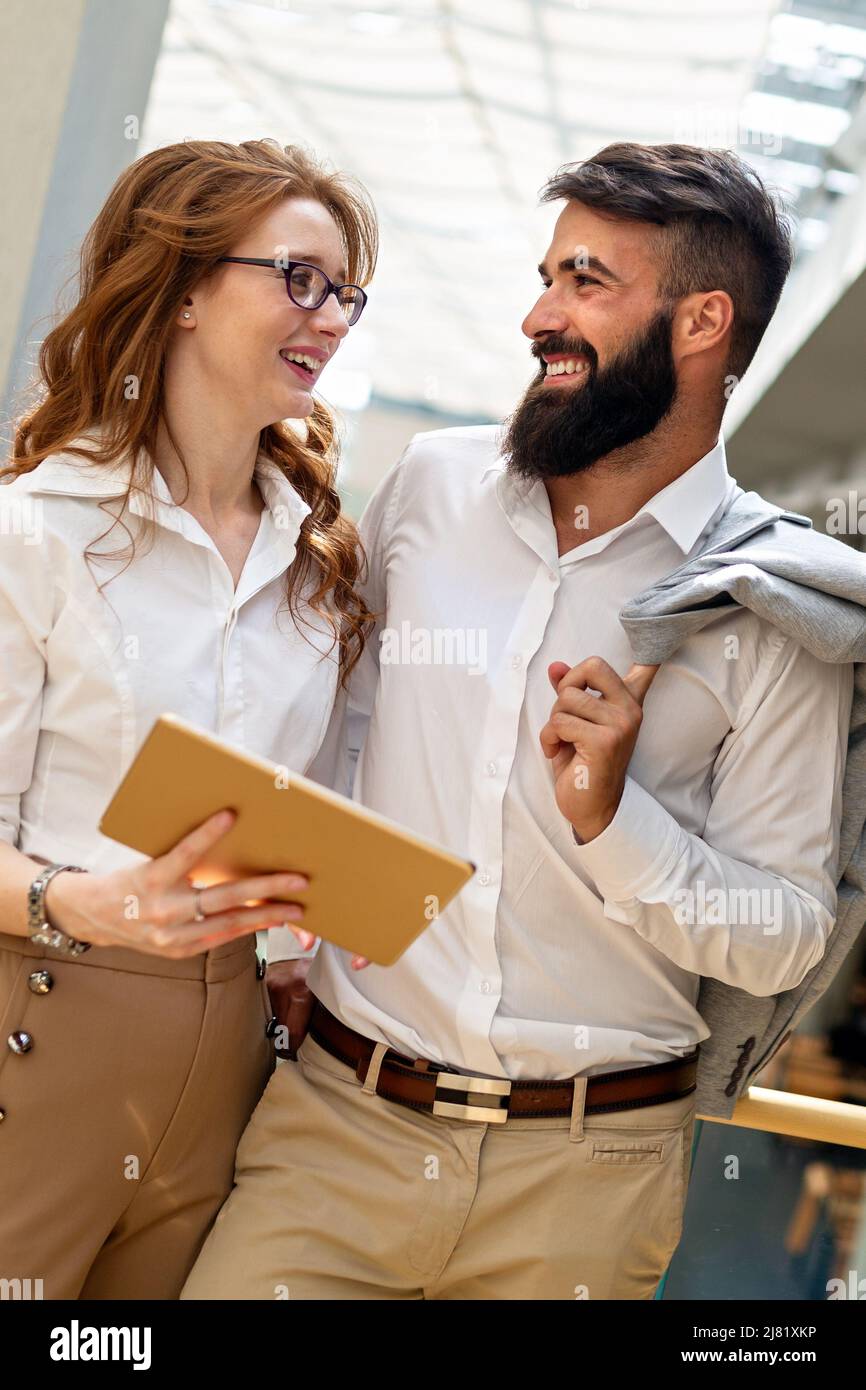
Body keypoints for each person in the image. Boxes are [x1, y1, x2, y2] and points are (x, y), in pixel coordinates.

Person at [181, 144, 853, 1301]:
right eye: (546, 276)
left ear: (700, 321)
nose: (540, 316)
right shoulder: (431, 490)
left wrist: (610, 821)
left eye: (585, 281)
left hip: (587, 1186)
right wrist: (292, 943)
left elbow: (786, 931)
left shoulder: (777, 602)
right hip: (337, 1129)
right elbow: (336, 732)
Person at [0, 137, 377, 1299]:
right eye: (297, 278)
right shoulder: (35, 534)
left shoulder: (319, 563)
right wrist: (86, 902)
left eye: (347, 292)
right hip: (44, 1013)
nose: (331, 316)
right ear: (182, 291)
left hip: (235, 1051)